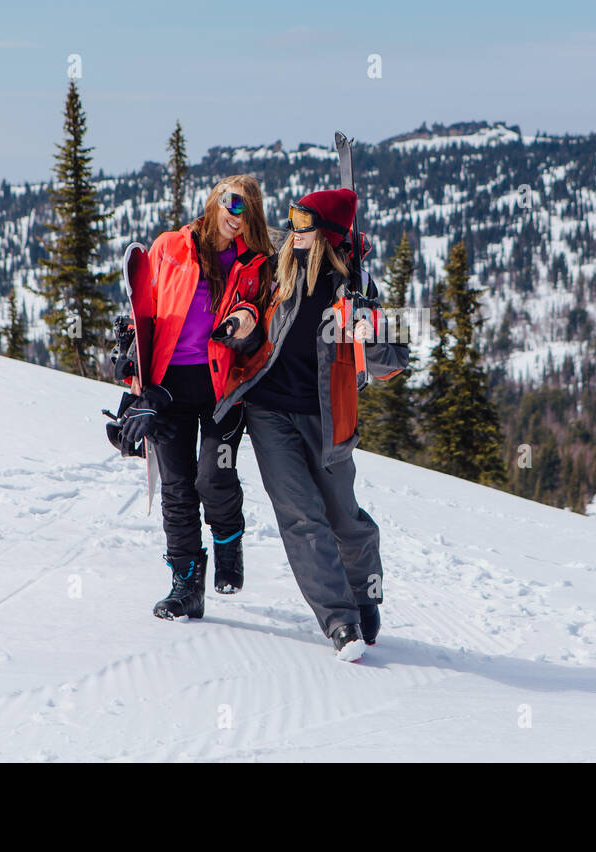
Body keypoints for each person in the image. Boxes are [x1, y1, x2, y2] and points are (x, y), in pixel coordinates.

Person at [212, 188, 408, 660]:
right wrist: (243, 325)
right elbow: (253, 310)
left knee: (346, 518)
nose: (292, 227)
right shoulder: (277, 266)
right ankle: (340, 621)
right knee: (302, 518)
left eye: (303, 221)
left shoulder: (358, 288)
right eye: (293, 217)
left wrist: (372, 336)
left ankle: (365, 597)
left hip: (327, 415)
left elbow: (397, 356)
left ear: (328, 234)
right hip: (269, 409)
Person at [114, 175, 274, 620]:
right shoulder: (169, 247)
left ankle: (228, 541)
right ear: (215, 201)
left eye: (249, 211)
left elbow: (259, 315)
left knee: (213, 478)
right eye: (233, 204)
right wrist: (129, 354)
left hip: (224, 389)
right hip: (168, 388)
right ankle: (186, 583)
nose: (238, 217)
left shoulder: (255, 263)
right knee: (178, 488)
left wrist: (245, 320)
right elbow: (145, 309)